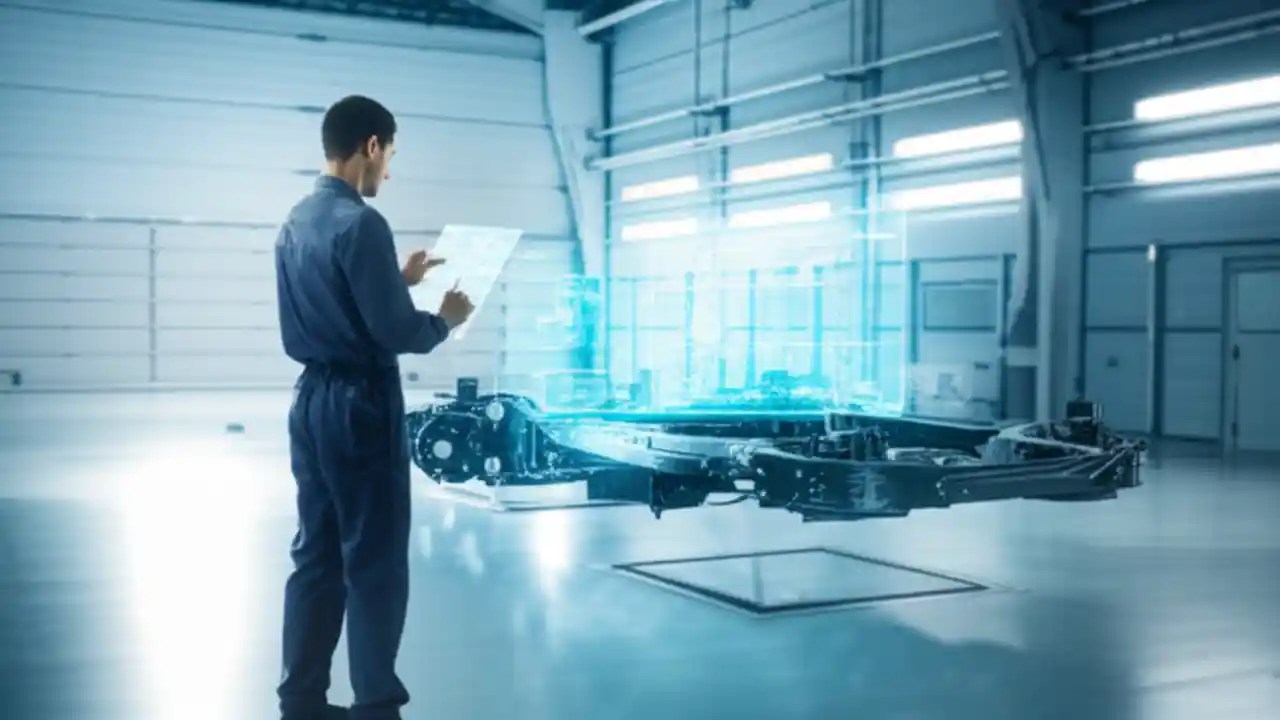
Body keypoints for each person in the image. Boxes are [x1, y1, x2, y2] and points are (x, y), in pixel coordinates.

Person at [274, 95, 474, 720]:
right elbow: (393, 332)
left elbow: (335, 299)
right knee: (375, 559)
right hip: (362, 405)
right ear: (371, 145)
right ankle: (376, 705)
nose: (388, 170)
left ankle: (301, 699)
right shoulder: (363, 224)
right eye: (390, 155)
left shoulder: (296, 221)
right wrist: (443, 320)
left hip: (310, 403)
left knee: (316, 553)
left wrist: (398, 279)